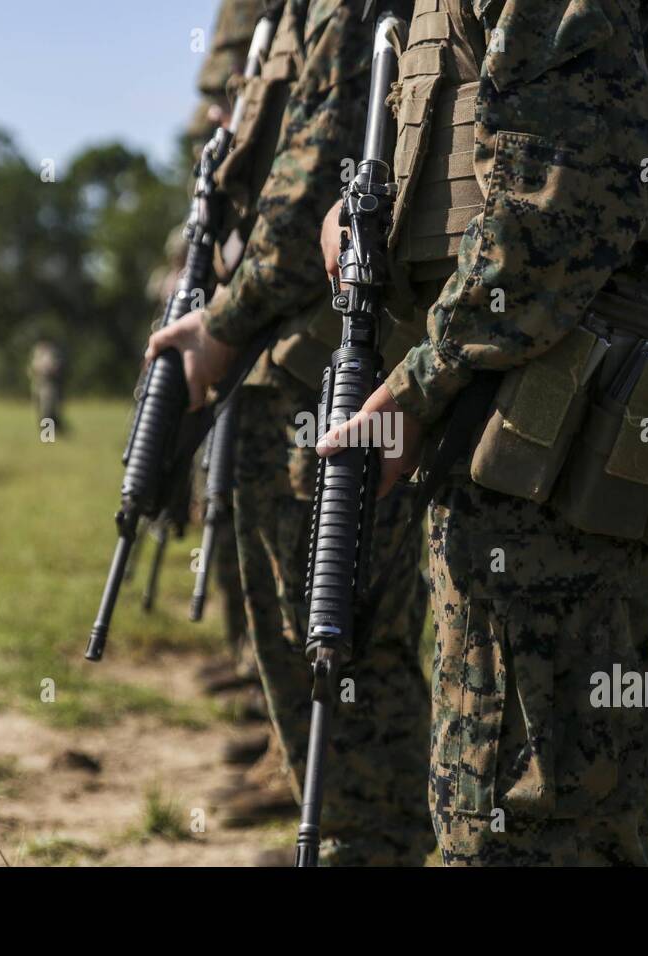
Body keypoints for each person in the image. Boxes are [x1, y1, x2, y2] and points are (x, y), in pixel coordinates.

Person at [307, 0, 648, 865]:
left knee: (526, 810)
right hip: (508, 398)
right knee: (541, 788)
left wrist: (415, 388)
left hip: (548, 410)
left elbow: (562, 202)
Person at [147, 0, 435, 865]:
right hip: (303, 342)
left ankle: (368, 838)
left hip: (335, 343)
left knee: (345, 612)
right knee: (302, 600)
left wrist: (227, 321)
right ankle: (345, 819)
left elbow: (316, 172)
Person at [27, 339, 65, 434]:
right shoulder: (37, 353)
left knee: (47, 410)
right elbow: (31, 369)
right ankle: (50, 431)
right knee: (40, 410)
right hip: (37, 384)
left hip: (48, 385)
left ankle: (48, 435)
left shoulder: (52, 353)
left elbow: (56, 369)